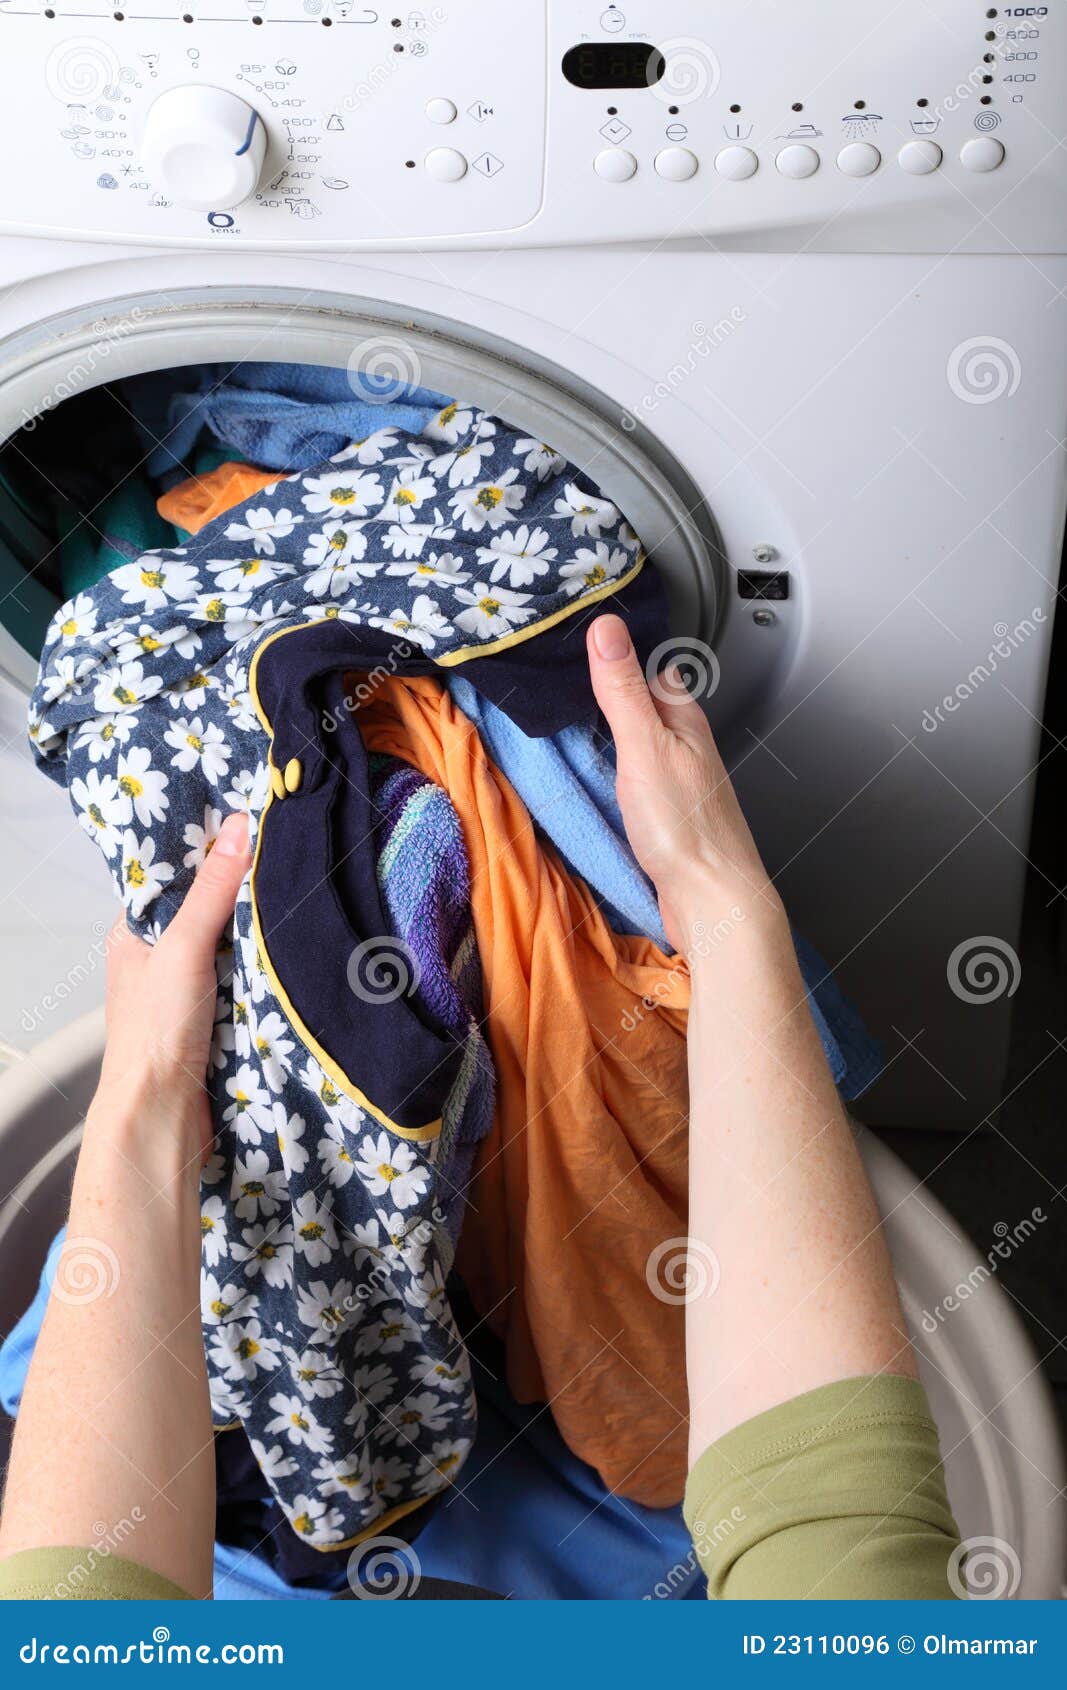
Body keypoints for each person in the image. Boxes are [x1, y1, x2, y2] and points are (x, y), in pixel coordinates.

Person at [0, 614, 960, 1600]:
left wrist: (151, 1088)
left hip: (247, 1526)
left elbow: (77, 1594)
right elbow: (830, 1517)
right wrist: (715, 901)